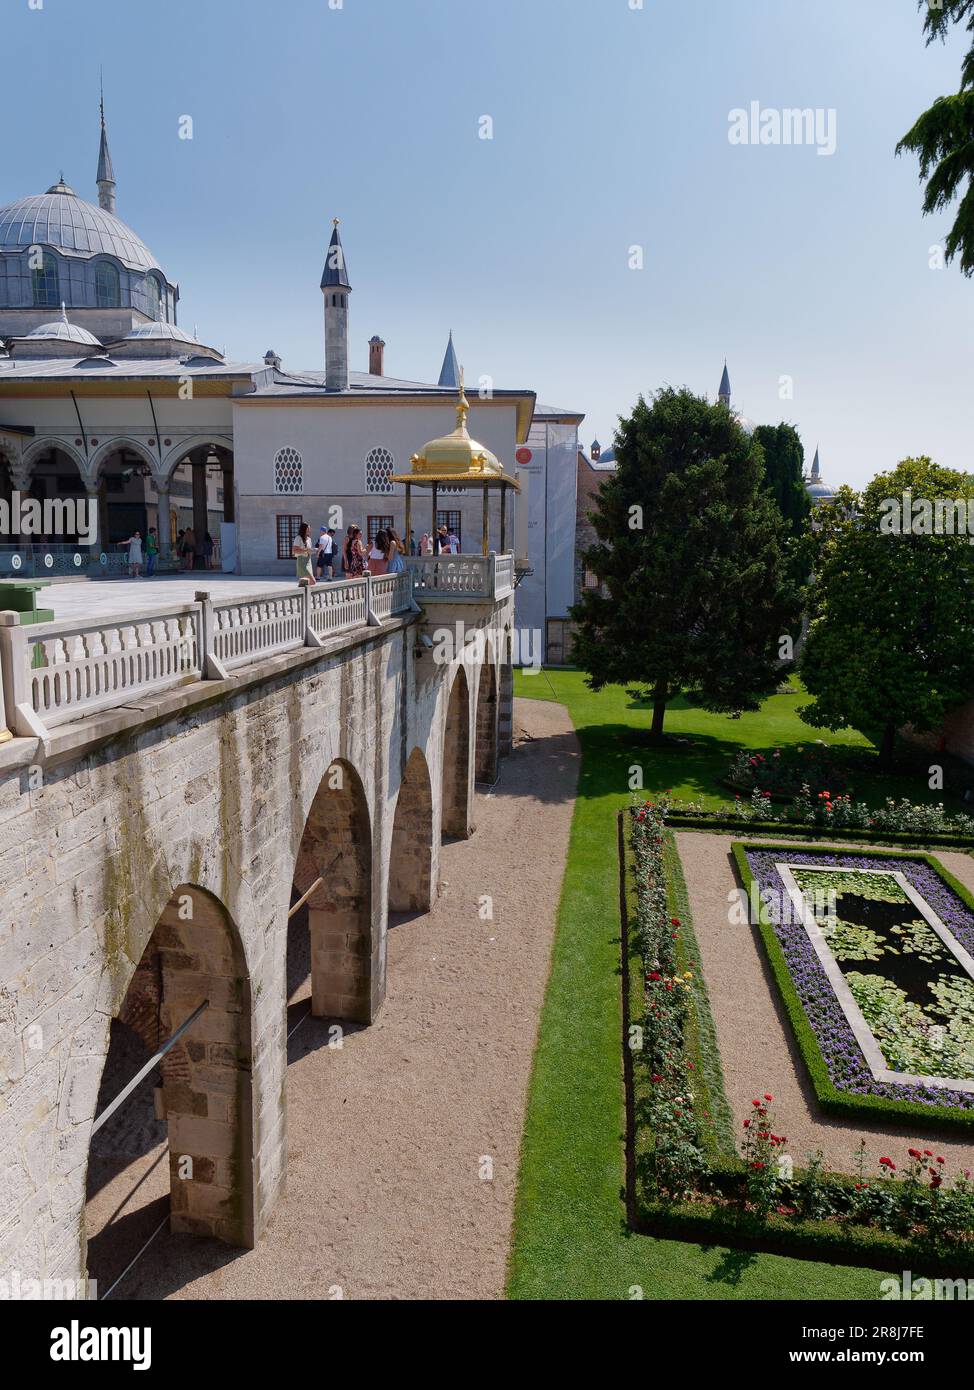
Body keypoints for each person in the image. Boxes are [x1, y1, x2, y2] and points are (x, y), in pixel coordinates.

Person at [291, 522, 315, 586]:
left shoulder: (309, 539)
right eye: (308, 529)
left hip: (308, 561)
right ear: (303, 529)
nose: (309, 530)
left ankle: (303, 594)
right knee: (313, 582)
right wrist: (306, 550)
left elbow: (308, 550)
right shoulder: (298, 538)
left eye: (309, 529)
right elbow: (294, 551)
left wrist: (312, 551)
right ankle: (301, 592)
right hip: (302, 561)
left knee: (306, 582)